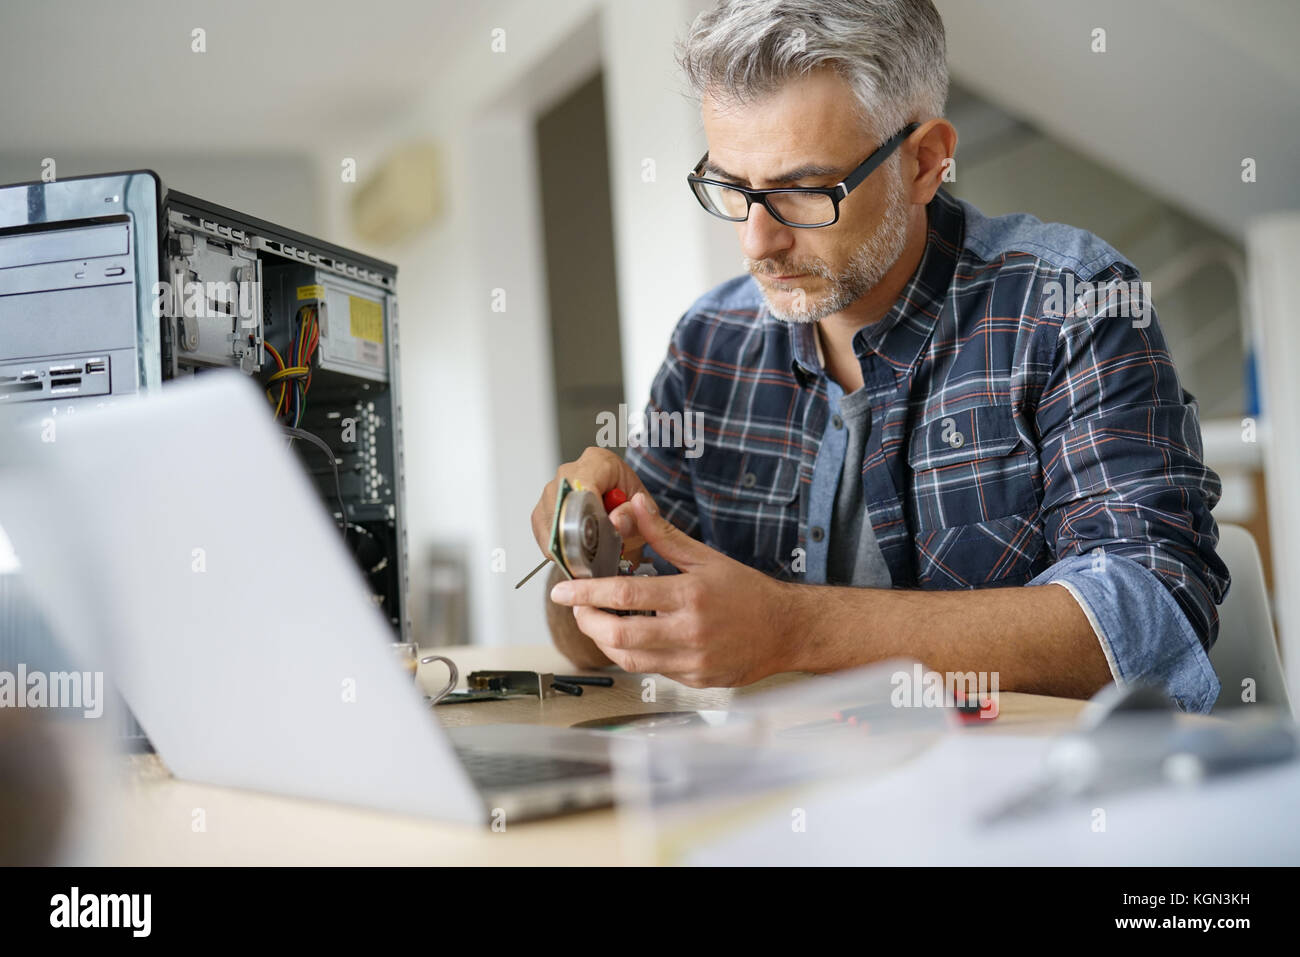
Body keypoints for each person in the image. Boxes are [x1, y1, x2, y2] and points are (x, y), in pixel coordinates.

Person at [532, 0, 1228, 711]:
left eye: (803, 192)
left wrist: (789, 627)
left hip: (1029, 805)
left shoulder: (1072, 302)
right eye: (733, 188)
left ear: (925, 162)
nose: (756, 243)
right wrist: (583, 549)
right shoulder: (711, 342)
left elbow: (1153, 618)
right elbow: (593, 640)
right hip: (777, 800)